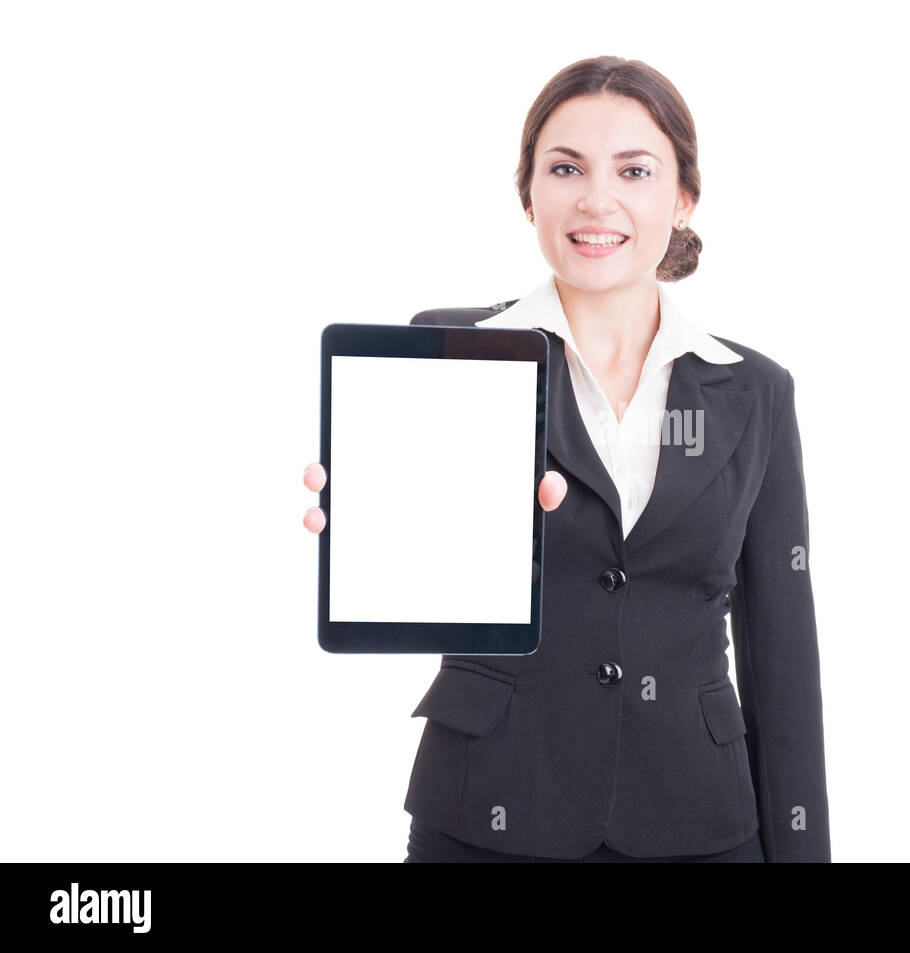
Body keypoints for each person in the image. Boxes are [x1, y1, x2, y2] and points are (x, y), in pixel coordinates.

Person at [303, 55, 829, 863]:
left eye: (635, 170)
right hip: (490, 807)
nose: (596, 199)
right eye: (566, 168)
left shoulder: (754, 389)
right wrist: (376, 528)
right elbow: (423, 574)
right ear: (528, 193)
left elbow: (782, 658)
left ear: (682, 197)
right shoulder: (453, 353)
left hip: (699, 819)